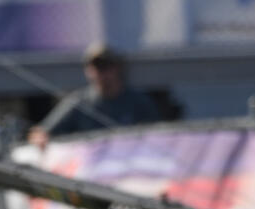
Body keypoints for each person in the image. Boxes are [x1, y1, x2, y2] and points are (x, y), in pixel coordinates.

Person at [29, 43, 159, 146]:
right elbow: (41, 132)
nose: (101, 74)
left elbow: (159, 136)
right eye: (96, 67)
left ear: (117, 68)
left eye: (106, 66)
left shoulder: (139, 101)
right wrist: (40, 138)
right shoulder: (78, 102)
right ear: (88, 71)